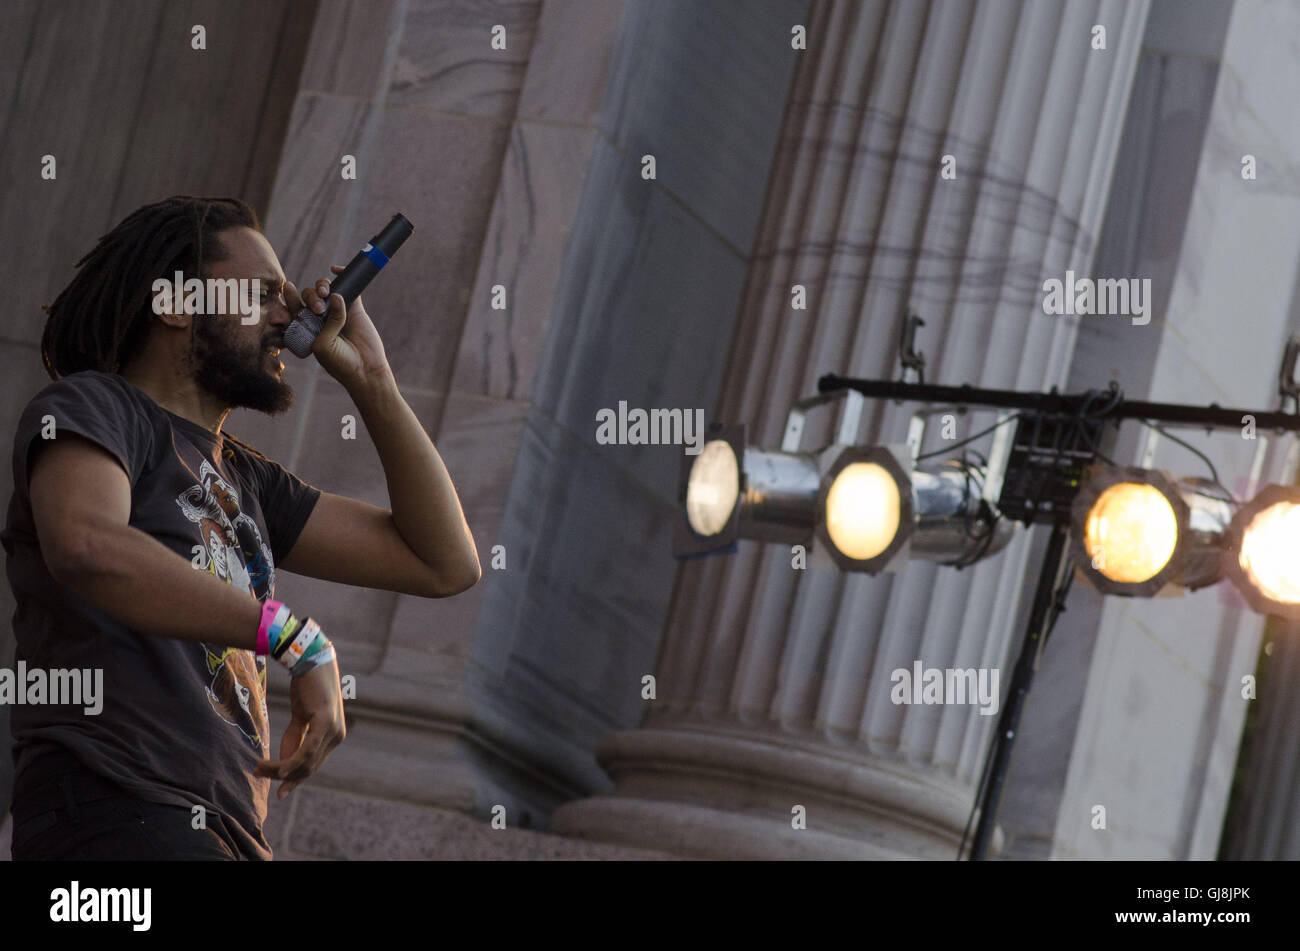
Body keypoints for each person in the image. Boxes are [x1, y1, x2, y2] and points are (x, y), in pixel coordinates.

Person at [2, 196, 480, 860]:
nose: (288, 316)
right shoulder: (94, 408)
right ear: (174, 303)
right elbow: (87, 543)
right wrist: (292, 637)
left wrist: (373, 381)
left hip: (220, 833)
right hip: (116, 815)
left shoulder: (250, 481)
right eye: (262, 294)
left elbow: (444, 562)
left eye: (287, 296)